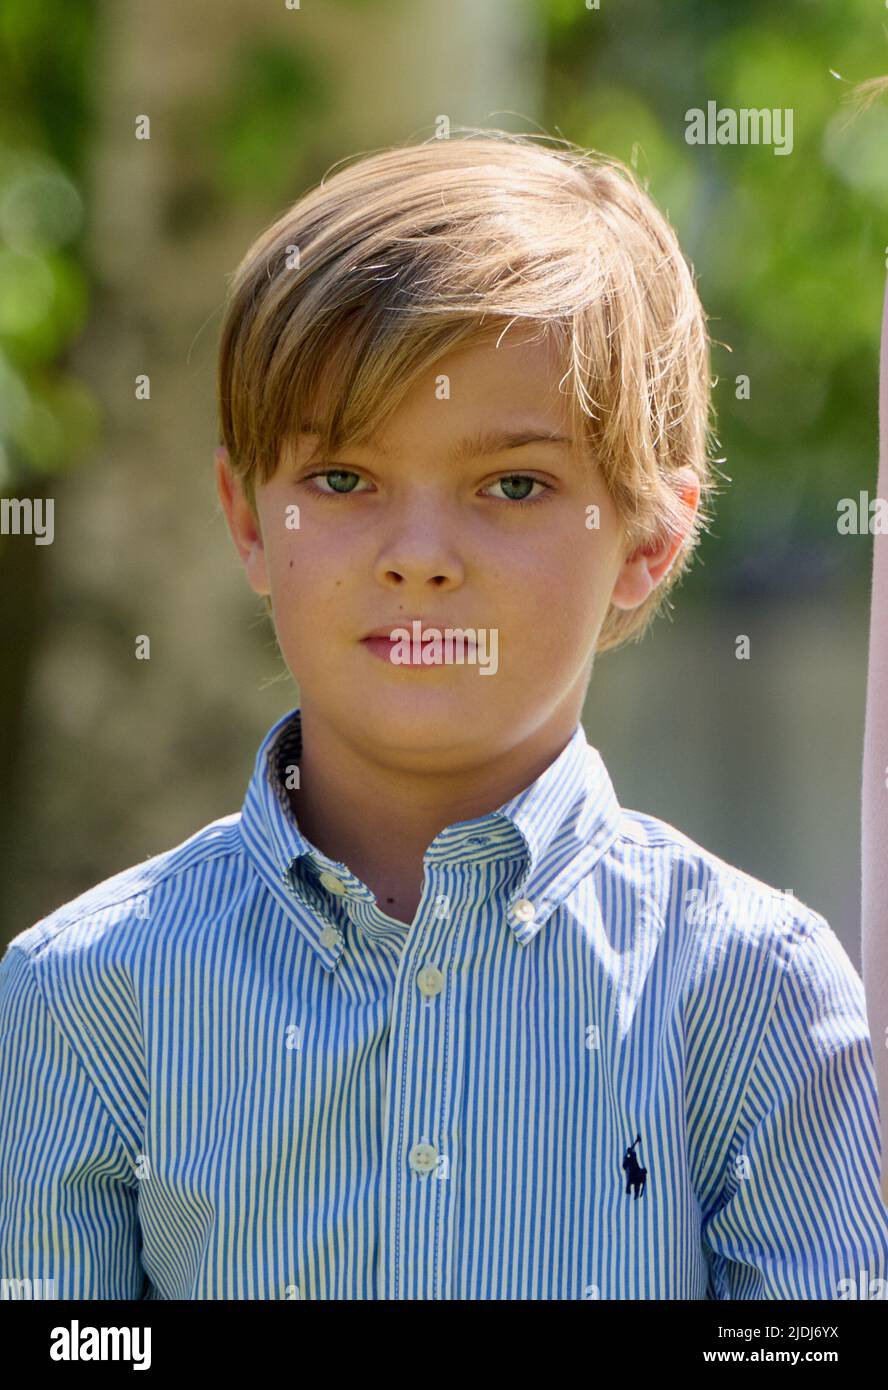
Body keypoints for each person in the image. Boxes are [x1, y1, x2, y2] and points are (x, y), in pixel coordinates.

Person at [1, 129, 887, 1300]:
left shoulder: (753, 994)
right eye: (345, 481)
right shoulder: (82, 996)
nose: (420, 558)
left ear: (651, 535)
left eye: (513, 486)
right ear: (251, 518)